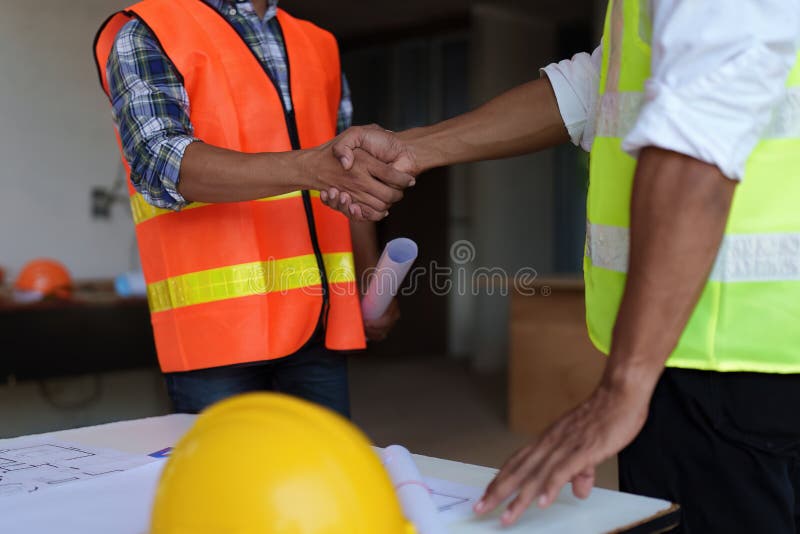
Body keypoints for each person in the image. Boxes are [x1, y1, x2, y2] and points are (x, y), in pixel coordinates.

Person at [324, 1, 800, 531]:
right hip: (727, 346)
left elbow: (697, 139)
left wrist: (625, 385)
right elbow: (599, 87)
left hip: (730, 353)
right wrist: (412, 150)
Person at [92, 0, 411, 417]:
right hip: (218, 337)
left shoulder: (319, 44)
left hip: (319, 319)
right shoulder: (150, 29)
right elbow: (159, 162)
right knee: (228, 480)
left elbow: (349, 173)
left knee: (322, 477)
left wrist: (371, 279)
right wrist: (311, 168)